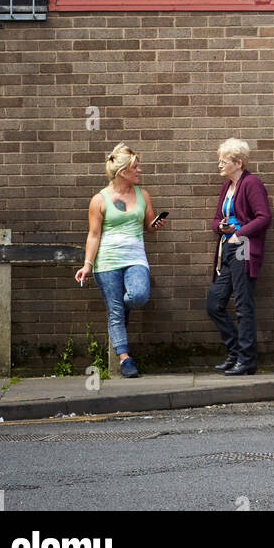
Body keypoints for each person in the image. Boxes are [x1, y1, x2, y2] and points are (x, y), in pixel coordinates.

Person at [74, 144, 168, 378]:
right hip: (106, 262)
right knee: (115, 312)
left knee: (138, 296)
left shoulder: (142, 195)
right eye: (135, 167)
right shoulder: (99, 200)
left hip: (135, 258)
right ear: (123, 171)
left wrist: (155, 225)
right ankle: (125, 359)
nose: (139, 170)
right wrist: (87, 264)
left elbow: (149, 227)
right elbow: (94, 234)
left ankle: (120, 308)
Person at [207, 139, 272, 375]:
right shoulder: (227, 186)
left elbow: (263, 217)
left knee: (244, 306)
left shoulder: (251, 183)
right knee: (214, 304)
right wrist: (221, 227)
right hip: (226, 249)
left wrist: (239, 233)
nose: (219, 165)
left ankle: (246, 361)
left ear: (238, 163)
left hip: (243, 248)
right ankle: (235, 354)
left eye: (223, 161)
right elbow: (216, 218)